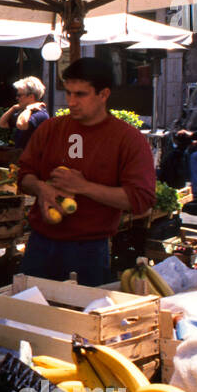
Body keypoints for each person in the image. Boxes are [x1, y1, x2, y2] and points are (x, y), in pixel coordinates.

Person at [17, 57, 156, 286]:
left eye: (80, 94)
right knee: (28, 318)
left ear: (104, 94)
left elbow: (141, 199)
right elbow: (24, 175)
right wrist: (41, 188)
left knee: (81, 319)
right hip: (39, 244)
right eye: (68, 93)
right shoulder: (50, 128)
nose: (71, 102)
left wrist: (84, 187)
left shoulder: (128, 139)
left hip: (89, 250)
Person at [0, 76, 49, 148]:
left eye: (19, 95)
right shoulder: (25, 113)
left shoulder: (40, 113)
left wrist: (28, 109)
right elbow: (2, 124)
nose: (17, 98)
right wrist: (13, 108)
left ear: (31, 96)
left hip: (33, 158)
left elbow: (21, 125)